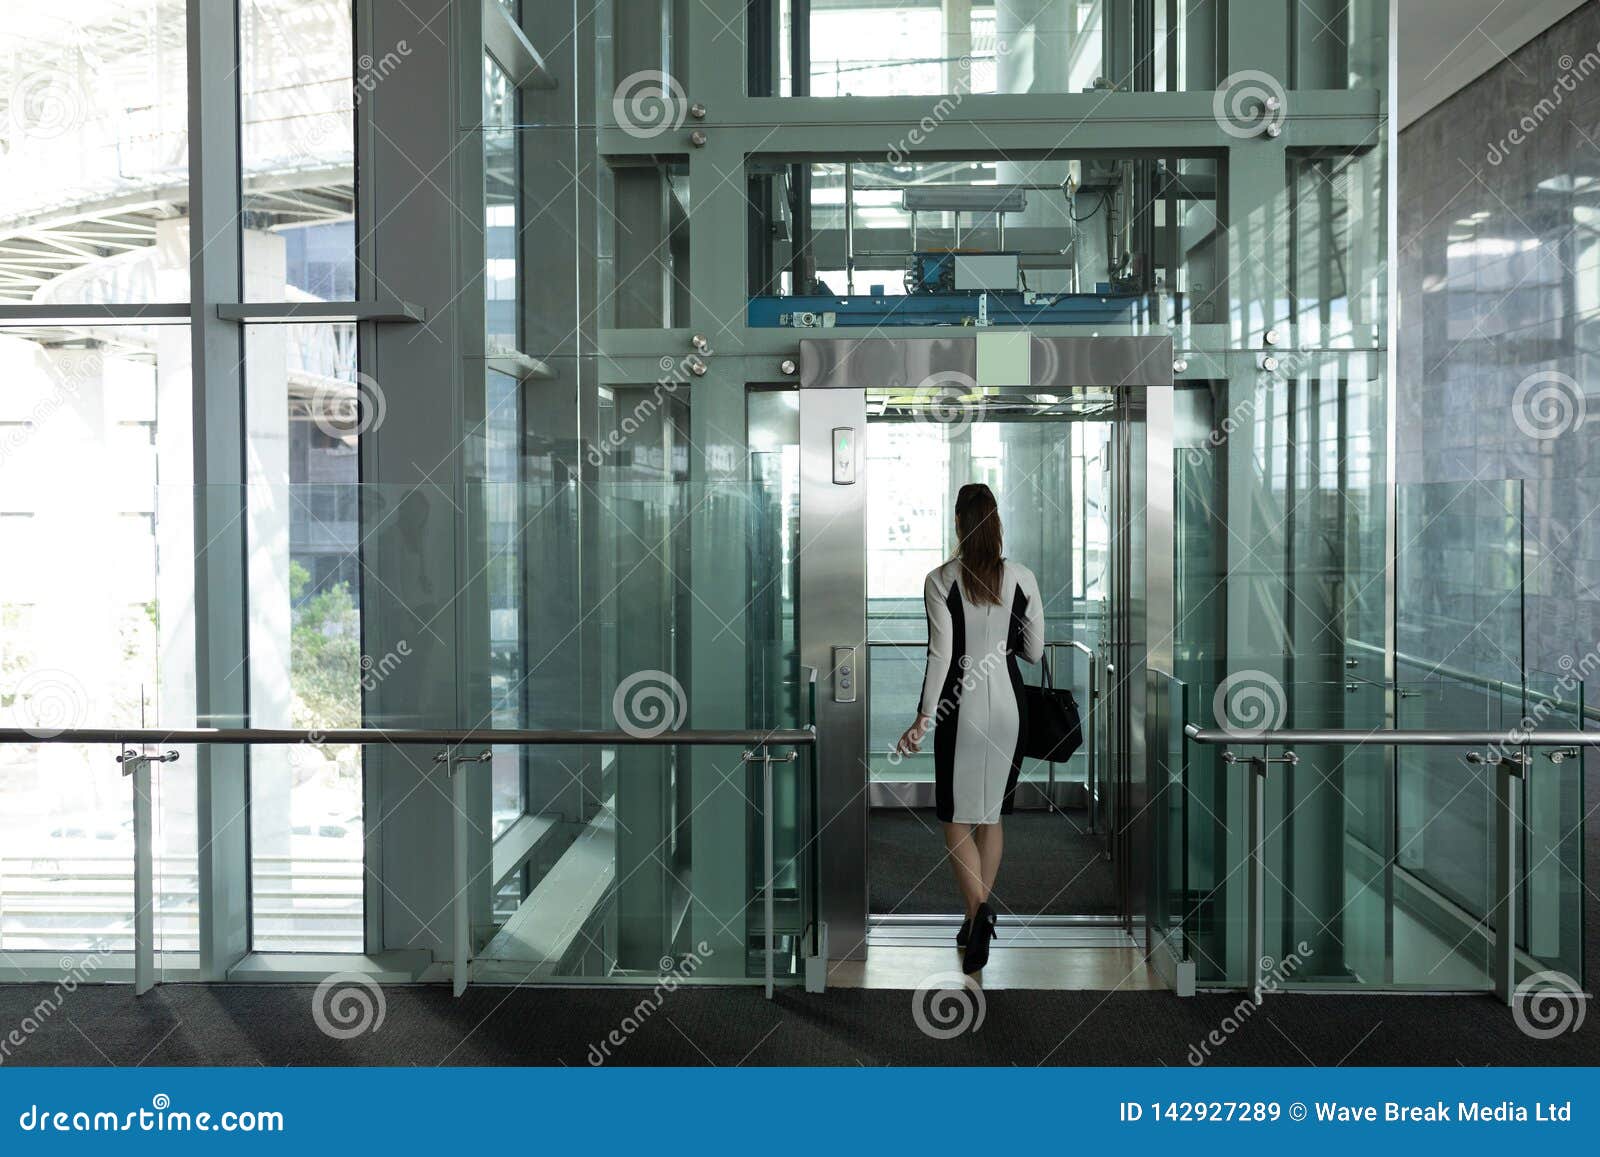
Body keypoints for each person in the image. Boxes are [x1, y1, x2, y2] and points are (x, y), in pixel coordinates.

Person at [896, 483, 1044, 975]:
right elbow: (1035, 652)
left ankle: (979, 916)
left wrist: (922, 717)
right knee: (991, 816)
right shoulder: (1021, 577)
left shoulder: (940, 579)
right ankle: (974, 917)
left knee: (956, 818)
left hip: (959, 709)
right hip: (1009, 708)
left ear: (959, 523)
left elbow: (940, 655)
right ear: (997, 522)